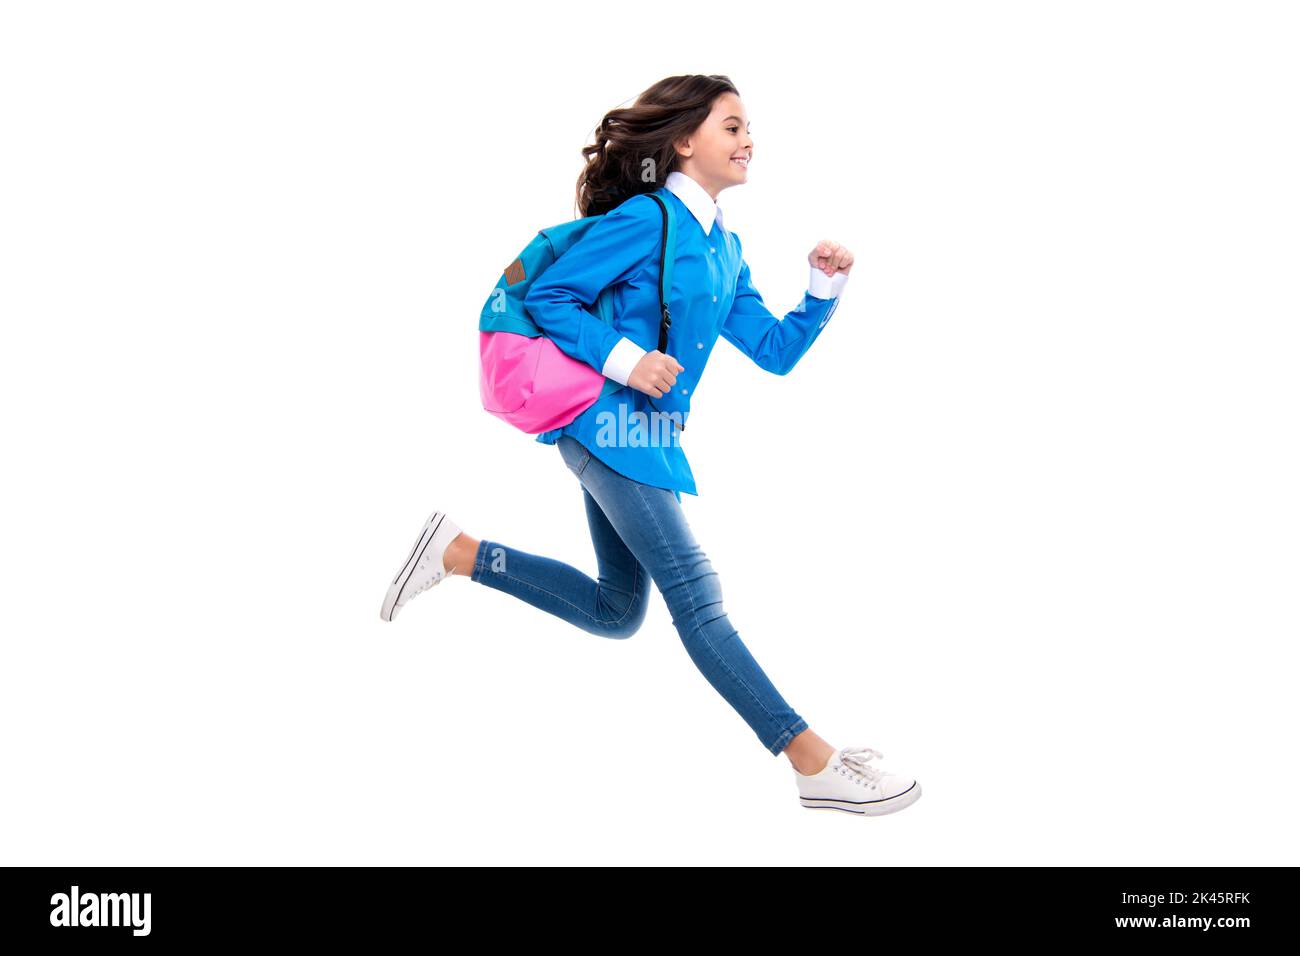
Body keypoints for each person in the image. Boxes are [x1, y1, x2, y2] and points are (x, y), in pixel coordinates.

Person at [381, 74, 920, 817]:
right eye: (732, 127)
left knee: (616, 610)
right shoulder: (646, 219)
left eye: (748, 127)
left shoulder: (726, 248)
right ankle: (811, 759)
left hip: (651, 436)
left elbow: (772, 350)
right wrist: (626, 360)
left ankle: (459, 551)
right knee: (696, 595)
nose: (747, 140)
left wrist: (821, 291)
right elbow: (549, 297)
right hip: (602, 420)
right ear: (683, 141)